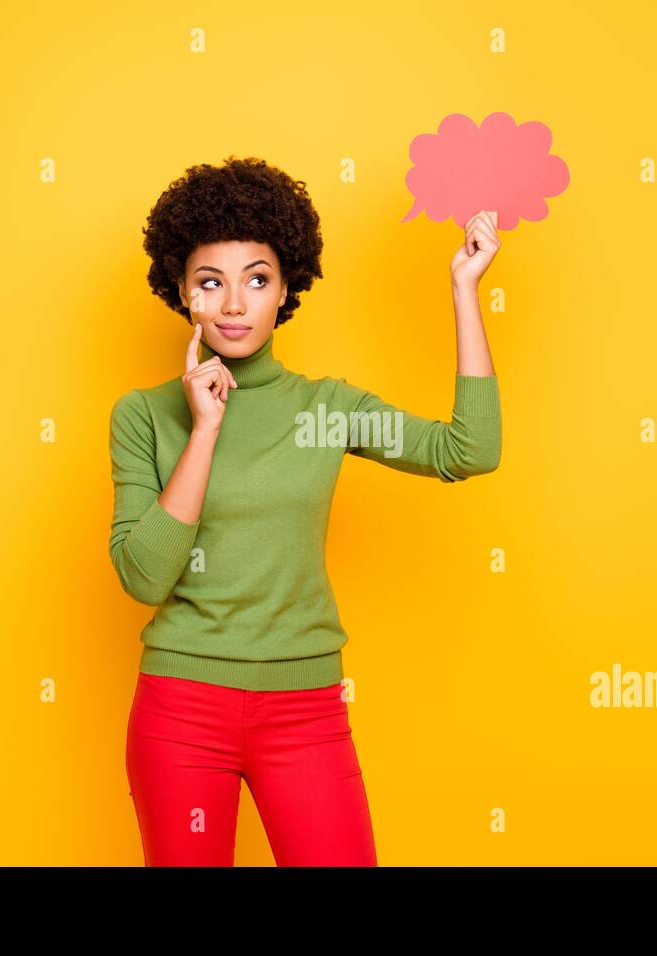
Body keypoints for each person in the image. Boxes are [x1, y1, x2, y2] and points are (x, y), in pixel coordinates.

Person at [109, 155, 502, 866]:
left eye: (256, 280)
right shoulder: (145, 416)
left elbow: (466, 451)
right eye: (210, 283)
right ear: (183, 293)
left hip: (306, 710)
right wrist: (204, 430)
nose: (233, 304)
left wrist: (464, 290)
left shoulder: (327, 411)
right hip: (180, 712)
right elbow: (144, 578)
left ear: (287, 286)